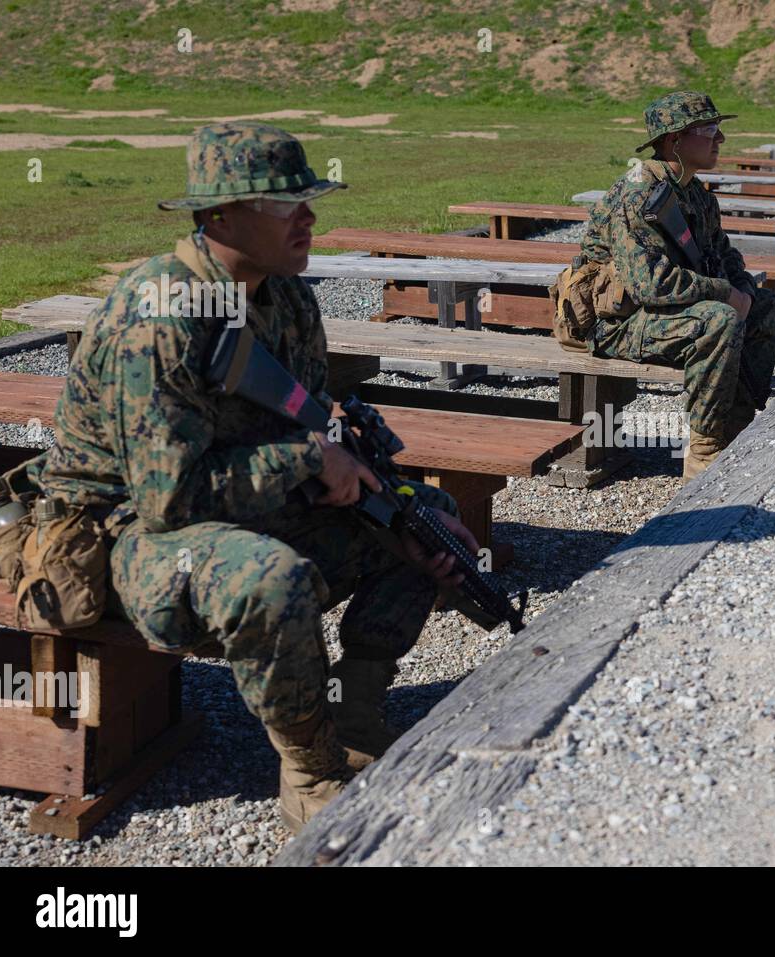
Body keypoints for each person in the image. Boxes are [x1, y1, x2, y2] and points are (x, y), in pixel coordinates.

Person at [39, 122, 480, 832]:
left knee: (424, 516)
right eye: (284, 204)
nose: (307, 218)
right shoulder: (161, 316)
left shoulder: (285, 297)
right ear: (220, 216)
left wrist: (388, 503)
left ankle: (353, 714)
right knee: (272, 580)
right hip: (122, 535)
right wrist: (308, 462)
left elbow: (306, 421)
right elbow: (167, 500)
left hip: (229, 507)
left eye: (308, 200)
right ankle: (312, 773)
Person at [580, 91, 775, 478]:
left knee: (768, 307)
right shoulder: (639, 194)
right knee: (718, 320)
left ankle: (733, 429)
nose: (720, 138)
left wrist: (743, 289)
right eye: (709, 130)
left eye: (718, 128)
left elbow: (724, 253)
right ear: (674, 140)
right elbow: (650, 285)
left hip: (664, 313)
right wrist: (725, 293)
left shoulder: (694, 193)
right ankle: (704, 451)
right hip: (616, 323)